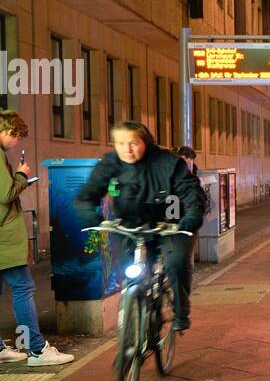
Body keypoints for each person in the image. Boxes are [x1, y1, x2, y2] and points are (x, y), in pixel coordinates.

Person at [0, 111, 74, 367]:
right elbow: (5, 192)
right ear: (8, 132)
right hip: (0, 234)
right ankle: (37, 350)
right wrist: (21, 175)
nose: (17, 144)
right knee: (23, 288)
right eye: (18, 138)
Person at [75, 121, 206, 331]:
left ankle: (181, 311)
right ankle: (136, 304)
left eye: (133, 143)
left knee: (176, 263)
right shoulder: (111, 163)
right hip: (130, 226)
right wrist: (90, 217)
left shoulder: (169, 163)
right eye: (120, 143)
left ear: (145, 141)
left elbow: (191, 193)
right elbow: (87, 195)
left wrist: (190, 219)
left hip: (170, 226)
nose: (127, 149)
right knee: (126, 270)